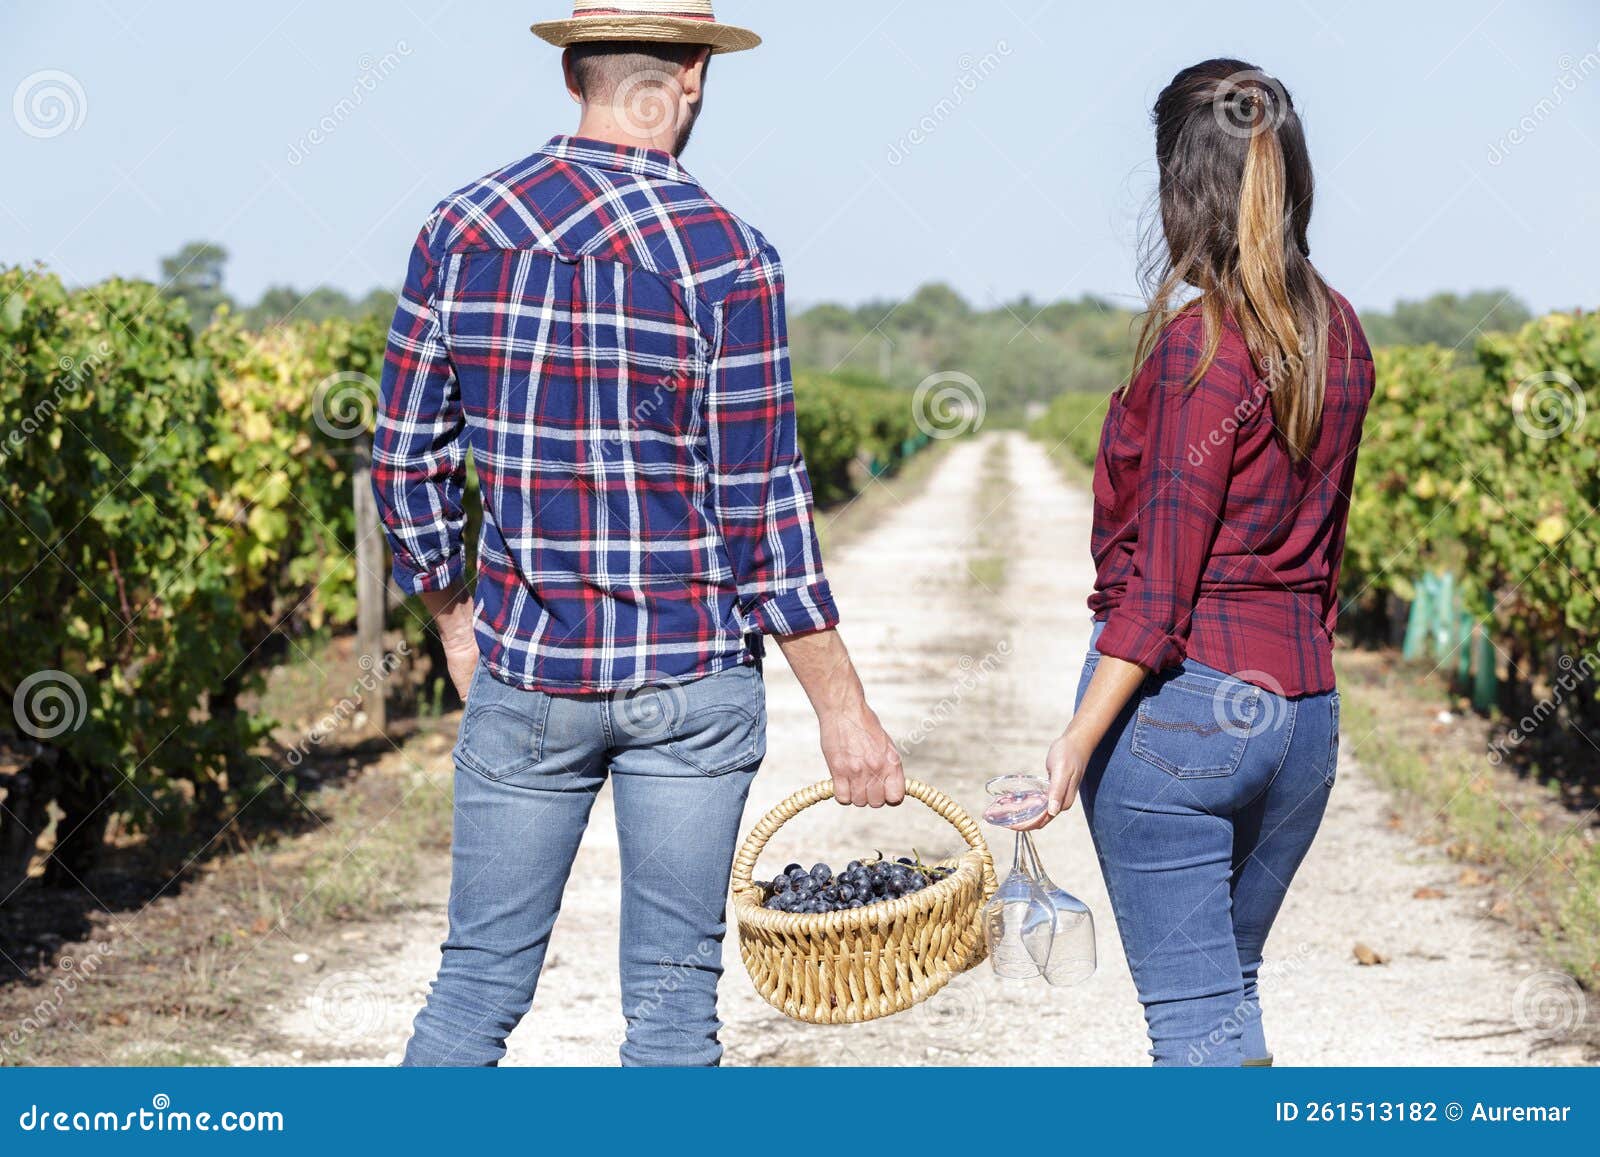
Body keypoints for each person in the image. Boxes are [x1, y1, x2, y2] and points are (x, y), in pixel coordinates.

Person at [371, 1, 903, 1067]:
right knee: (670, 1005)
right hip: (690, 681)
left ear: (573, 71)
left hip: (528, 669)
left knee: (473, 984)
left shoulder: (457, 227)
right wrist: (846, 714)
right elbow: (764, 511)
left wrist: (455, 622)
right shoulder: (731, 257)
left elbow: (402, 455)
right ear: (693, 78)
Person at [1023, 59, 1374, 1067]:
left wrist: (1074, 742)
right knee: (1226, 1002)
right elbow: (1327, 559)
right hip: (1303, 714)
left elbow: (1160, 590)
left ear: (1182, 184)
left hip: (1186, 714)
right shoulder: (1339, 331)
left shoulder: (1200, 345)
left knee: (1192, 1024)